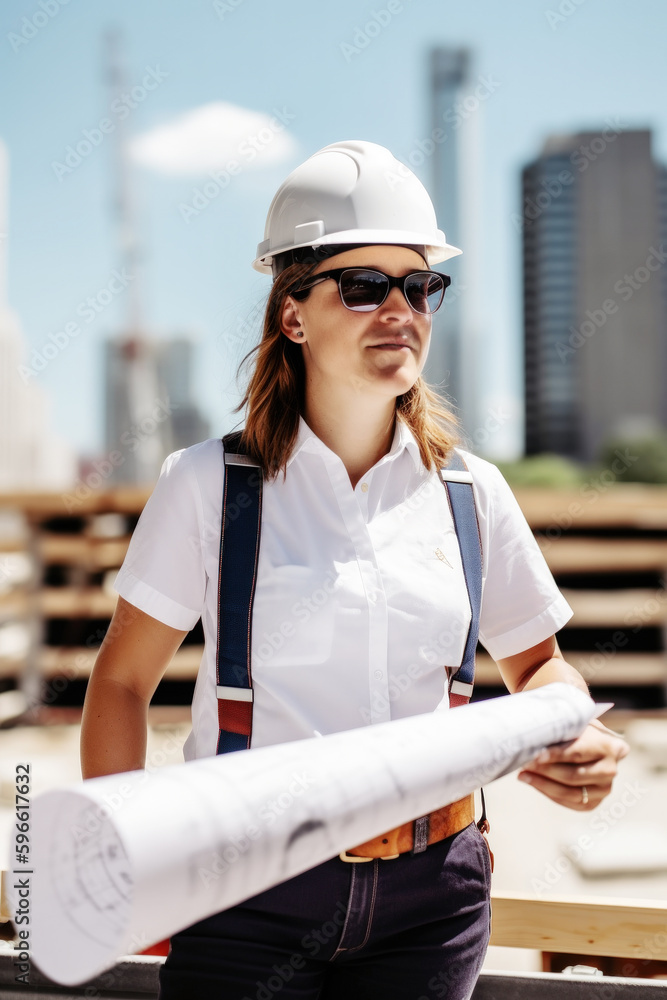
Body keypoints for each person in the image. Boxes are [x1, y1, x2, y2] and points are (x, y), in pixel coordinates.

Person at [80, 139, 629, 1000]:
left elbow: (539, 667)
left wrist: (573, 739)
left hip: (434, 900)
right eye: (363, 286)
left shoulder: (471, 493)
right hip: (244, 892)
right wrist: (113, 864)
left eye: (417, 287)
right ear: (291, 314)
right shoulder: (206, 485)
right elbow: (119, 684)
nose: (399, 310)